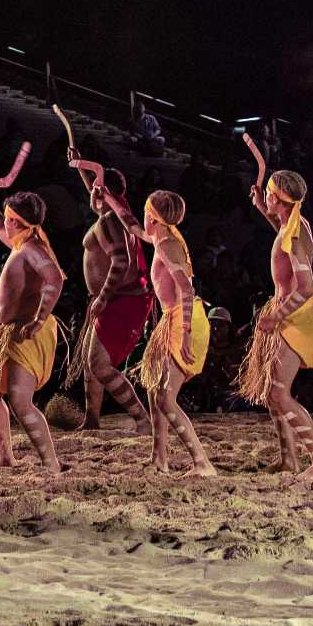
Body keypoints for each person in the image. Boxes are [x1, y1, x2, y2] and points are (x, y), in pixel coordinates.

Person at [0, 158, 65, 477]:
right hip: (10, 331)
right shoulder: (22, 240)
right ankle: (4, 455)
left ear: (17, 222)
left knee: (20, 400)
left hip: (27, 332)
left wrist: (38, 319)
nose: (4, 224)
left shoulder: (33, 249)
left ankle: (51, 465)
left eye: (8, 219)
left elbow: (54, 279)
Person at [237, 137, 313, 481]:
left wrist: (275, 315)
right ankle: (289, 458)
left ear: (277, 196)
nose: (265, 196)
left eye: (269, 195)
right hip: (287, 311)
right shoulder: (294, 224)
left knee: (278, 390)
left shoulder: (295, 233)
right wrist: (264, 211)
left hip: (295, 315)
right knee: (271, 391)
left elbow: (306, 289)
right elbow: (283, 233)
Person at [126, 189, 218, 475]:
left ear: (152, 215)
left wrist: (187, 331)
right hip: (174, 320)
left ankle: (202, 462)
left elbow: (187, 289)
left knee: (166, 397)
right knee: (155, 391)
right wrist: (108, 197)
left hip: (184, 321)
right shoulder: (161, 236)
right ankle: (159, 457)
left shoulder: (166, 245)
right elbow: (131, 226)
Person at [66, 160, 157, 437]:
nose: (91, 193)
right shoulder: (115, 215)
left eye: (96, 190)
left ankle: (142, 418)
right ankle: (92, 418)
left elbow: (120, 261)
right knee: (90, 362)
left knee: (100, 365)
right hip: (117, 300)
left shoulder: (109, 222)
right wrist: (80, 166)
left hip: (121, 301)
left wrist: (103, 297)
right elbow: (97, 194)